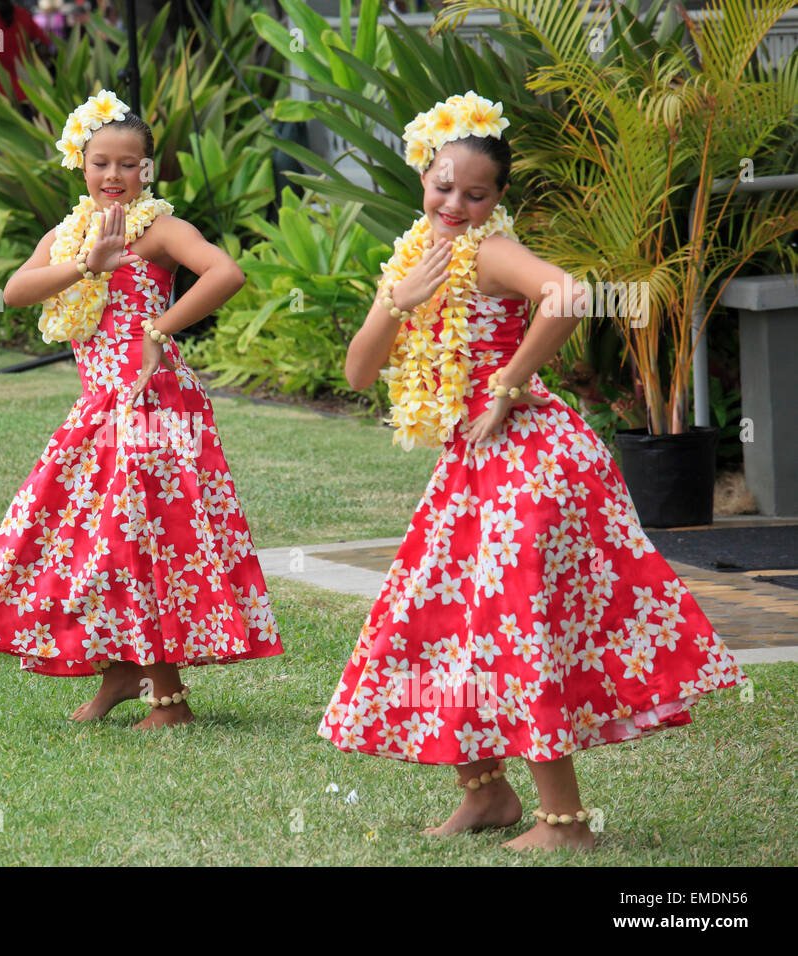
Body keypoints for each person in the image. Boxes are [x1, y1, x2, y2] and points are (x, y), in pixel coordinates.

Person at [318, 91, 745, 851]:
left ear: (497, 198)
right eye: (442, 186)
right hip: (473, 467)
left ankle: (566, 822)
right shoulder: (417, 256)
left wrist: (509, 385)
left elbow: (568, 293)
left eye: (475, 193)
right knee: (451, 624)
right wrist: (398, 298)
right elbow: (358, 371)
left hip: (528, 459)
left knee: (517, 625)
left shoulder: (487, 249)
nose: (455, 203)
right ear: (424, 176)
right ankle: (484, 794)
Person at [0, 91, 283, 728]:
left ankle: (169, 698)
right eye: (101, 163)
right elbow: (17, 289)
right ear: (81, 165)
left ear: (148, 170)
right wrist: (86, 264)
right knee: (100, 542)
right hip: (100, 406)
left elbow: (226, 273)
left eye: (129, 164)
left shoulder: (160, 228)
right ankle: (121, 677)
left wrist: (160, 331)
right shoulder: (74, 232)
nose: (114, 176)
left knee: (146, 540)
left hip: (153, 403)